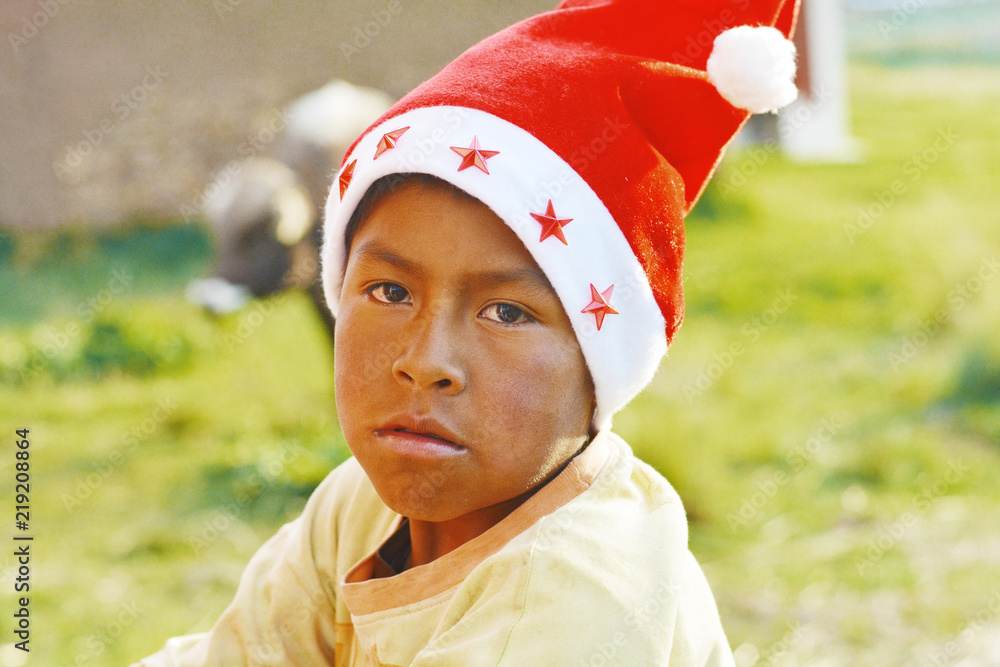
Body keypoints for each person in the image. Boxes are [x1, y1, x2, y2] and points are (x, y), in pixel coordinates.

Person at [134, 0, 800, 664]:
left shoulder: (577, 602)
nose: (426, 363)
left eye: (507, 312)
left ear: (601, 367)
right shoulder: (358, 505)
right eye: (390, 291)